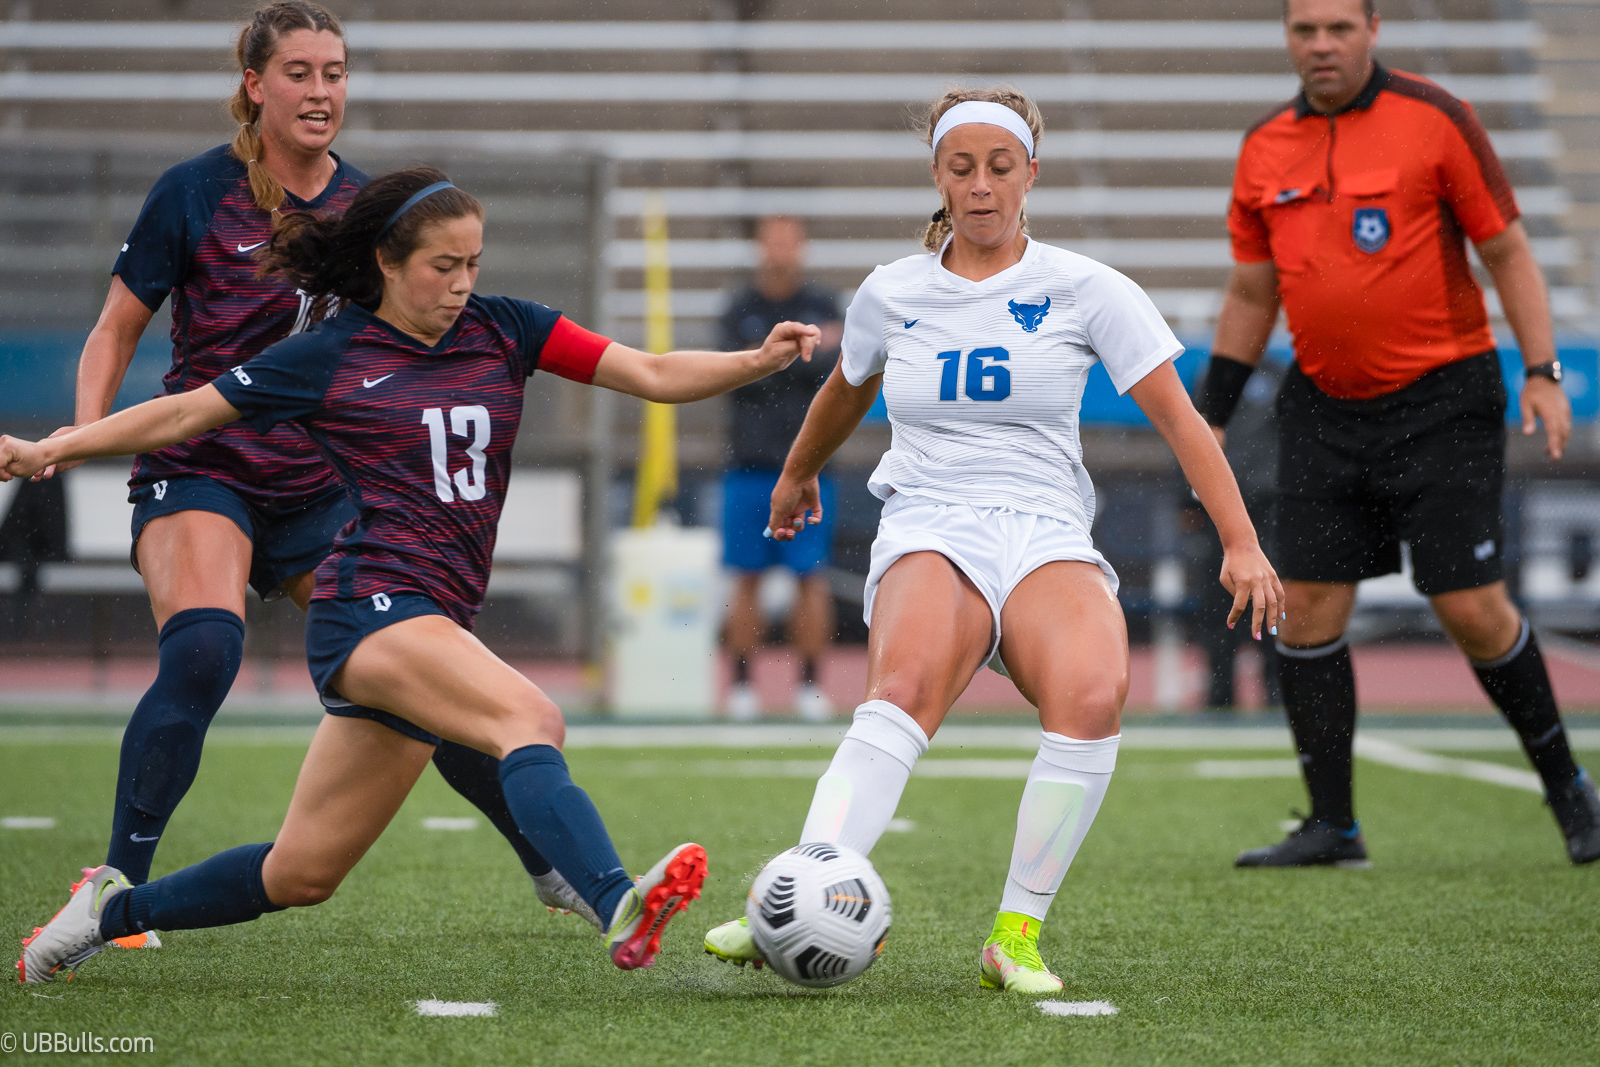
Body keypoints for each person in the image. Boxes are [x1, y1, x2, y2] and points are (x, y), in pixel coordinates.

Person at [7, 166, 819, 983]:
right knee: (530, 718)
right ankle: (614, 899)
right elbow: (184, 412)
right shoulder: (330, 354)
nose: (463, 284)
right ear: (388, 264)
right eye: (443, 265)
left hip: (431, 611)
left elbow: (649, 373)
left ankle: (105, 914)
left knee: (301, 873)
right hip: (369, 604)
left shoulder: (508, 328)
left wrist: (757, 359)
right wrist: (53, 446)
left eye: (473, 263)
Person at [26, 2, 593, 937]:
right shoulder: (192, 192)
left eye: (334, 72)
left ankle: (552, 865)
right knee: (205, 649)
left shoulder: (373, 211)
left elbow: (407, 345)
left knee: (425, 670)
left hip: (318, 485)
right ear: (255, 85)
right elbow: (114, 330)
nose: (320, 91)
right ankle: (115, 890)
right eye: (299, 72)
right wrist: (79, 439)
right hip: (200, 464)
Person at [702, 88, 1281, 993]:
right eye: (962, 167)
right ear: (938, 175)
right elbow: (846, 391)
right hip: (932, 516)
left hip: (1047, 527)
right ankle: (797, 888)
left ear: (1030, 176)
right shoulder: (891, 290)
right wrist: (797, 470)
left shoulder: (1089, 288)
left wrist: (1240, 540)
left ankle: (1015, 934)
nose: (981, 185)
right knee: (902, 690)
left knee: (1093, 696)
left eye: (999, 167)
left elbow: (1183, 421)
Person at [1205, 0, 1600, 866]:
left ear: (1372, 30)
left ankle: (1571, 789)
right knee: (1305, 607)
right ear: (1287, 38)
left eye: (1339, 28)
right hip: (1323, 405)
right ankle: (1334, 825)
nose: (1321, 45)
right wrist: (1212, 414)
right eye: (1305, 30)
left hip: (1444, 400)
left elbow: (1509, 254)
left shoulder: (1438, 119)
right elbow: (1249, 293)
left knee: (1470, 607)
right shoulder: (1265, 145)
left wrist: (1542, 370)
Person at [719, 216, 842, 721]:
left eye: (788, 241)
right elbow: (737, 374)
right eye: (773, 241)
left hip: (812, 464)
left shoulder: (822, 303)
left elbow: (840, 370)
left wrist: (773, 363)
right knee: (745, 576)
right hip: (751, 467)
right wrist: (800, 358)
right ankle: (743, 685)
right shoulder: (739, 309)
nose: (780, 251)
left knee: (810, 576)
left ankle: (810, 685)